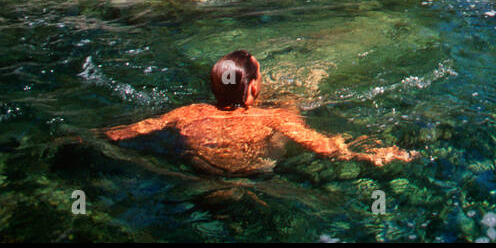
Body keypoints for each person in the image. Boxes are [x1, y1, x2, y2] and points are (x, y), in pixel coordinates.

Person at [105, 50, 415, 175]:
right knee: (291, 107)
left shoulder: (188, 111)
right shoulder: (272, 117)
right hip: (252, 176)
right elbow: (324, 147)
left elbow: (129, 131)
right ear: (253, 88)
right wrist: (376, 153)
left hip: (204, 173)